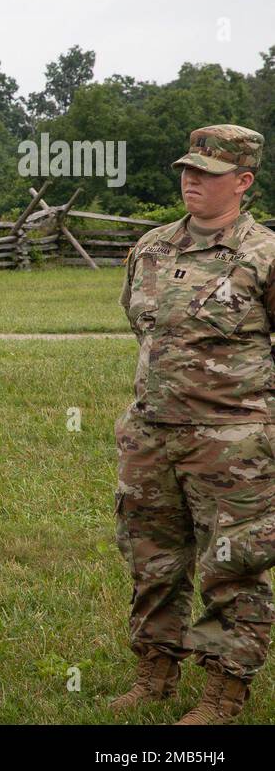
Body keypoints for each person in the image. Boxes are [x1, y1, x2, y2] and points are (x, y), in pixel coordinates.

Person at [113, 123, 275, 724]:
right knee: (151, 559)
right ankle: (154, 673)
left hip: (234, 446)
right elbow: (143, 328)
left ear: (242, 181)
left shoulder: (263, 255)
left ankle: (223, 693)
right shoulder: (151, 247)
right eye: (187, 170)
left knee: (233, 566)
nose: (190, 181)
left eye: (205, 174)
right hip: (151, 436)